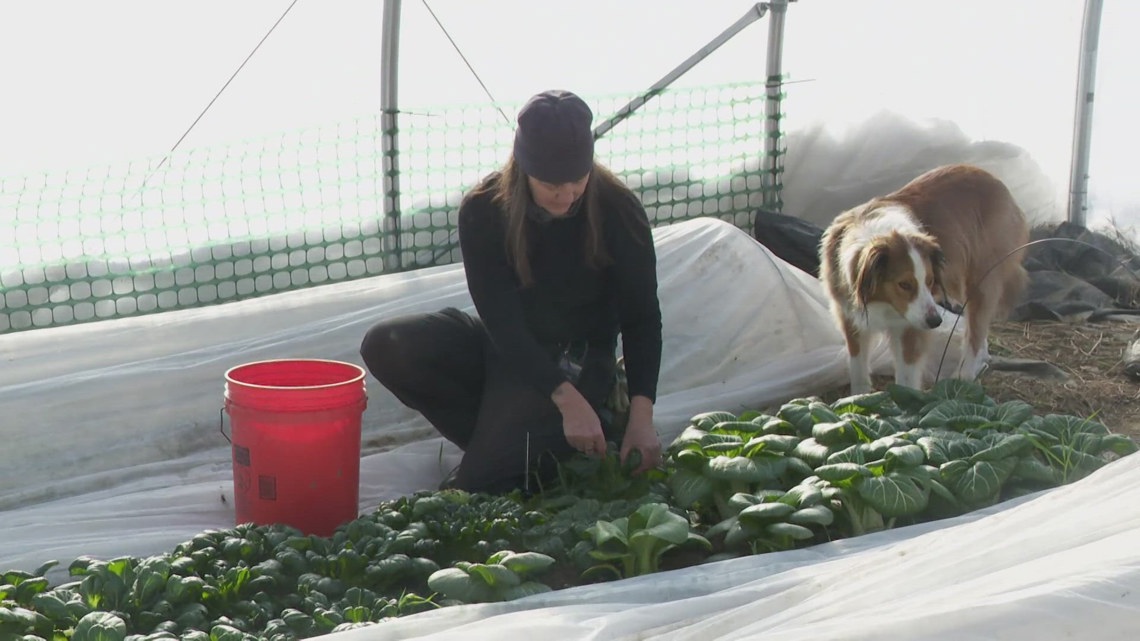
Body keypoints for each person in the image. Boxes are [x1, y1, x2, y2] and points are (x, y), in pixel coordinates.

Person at [359, 89, 663, 494]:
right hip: (509, 349)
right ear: (523, 166)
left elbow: (642, 318)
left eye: (577, 179)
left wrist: (642, 418)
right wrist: (565, 403)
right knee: (387, 344)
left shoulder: (617, 209)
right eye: (552, 184)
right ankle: (512, 443)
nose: (567, 194)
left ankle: (539, 439)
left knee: (472, 491)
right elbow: (500, 320)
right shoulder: (484, 209)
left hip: (580, 360)